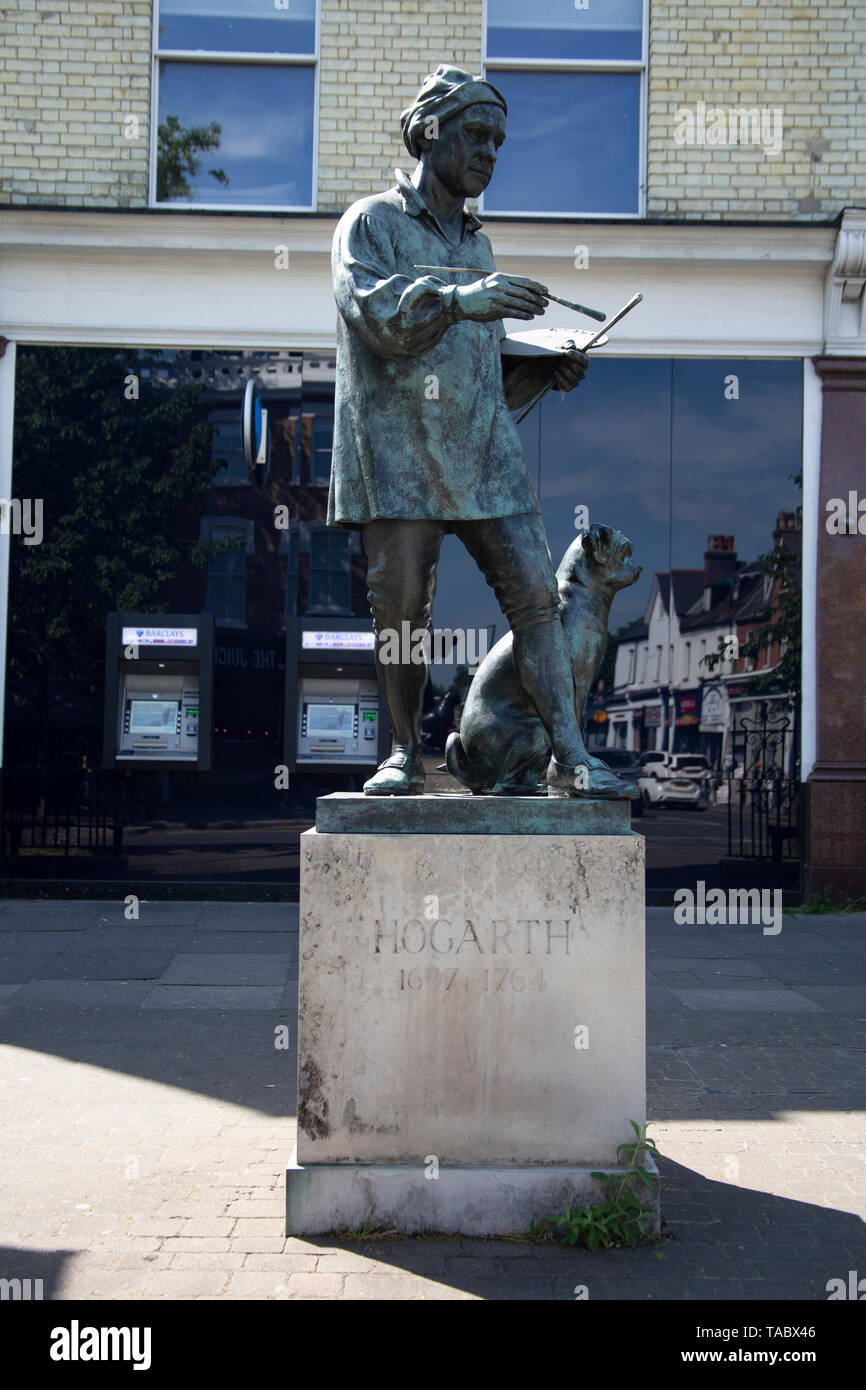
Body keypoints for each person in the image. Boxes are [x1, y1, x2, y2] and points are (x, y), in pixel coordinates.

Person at [328, 63, 626, 798]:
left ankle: (570, 756)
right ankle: (403, 753)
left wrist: (546, 368)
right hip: (400, 455)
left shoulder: (478, 245)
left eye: (499, 140)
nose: (490, 152)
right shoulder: (372, 224)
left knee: (537, 597)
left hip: (483, 451)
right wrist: (468, 298)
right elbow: (377, 315)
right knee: (402, 607)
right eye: (476, 134)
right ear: (431, 131)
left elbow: (479, 364)